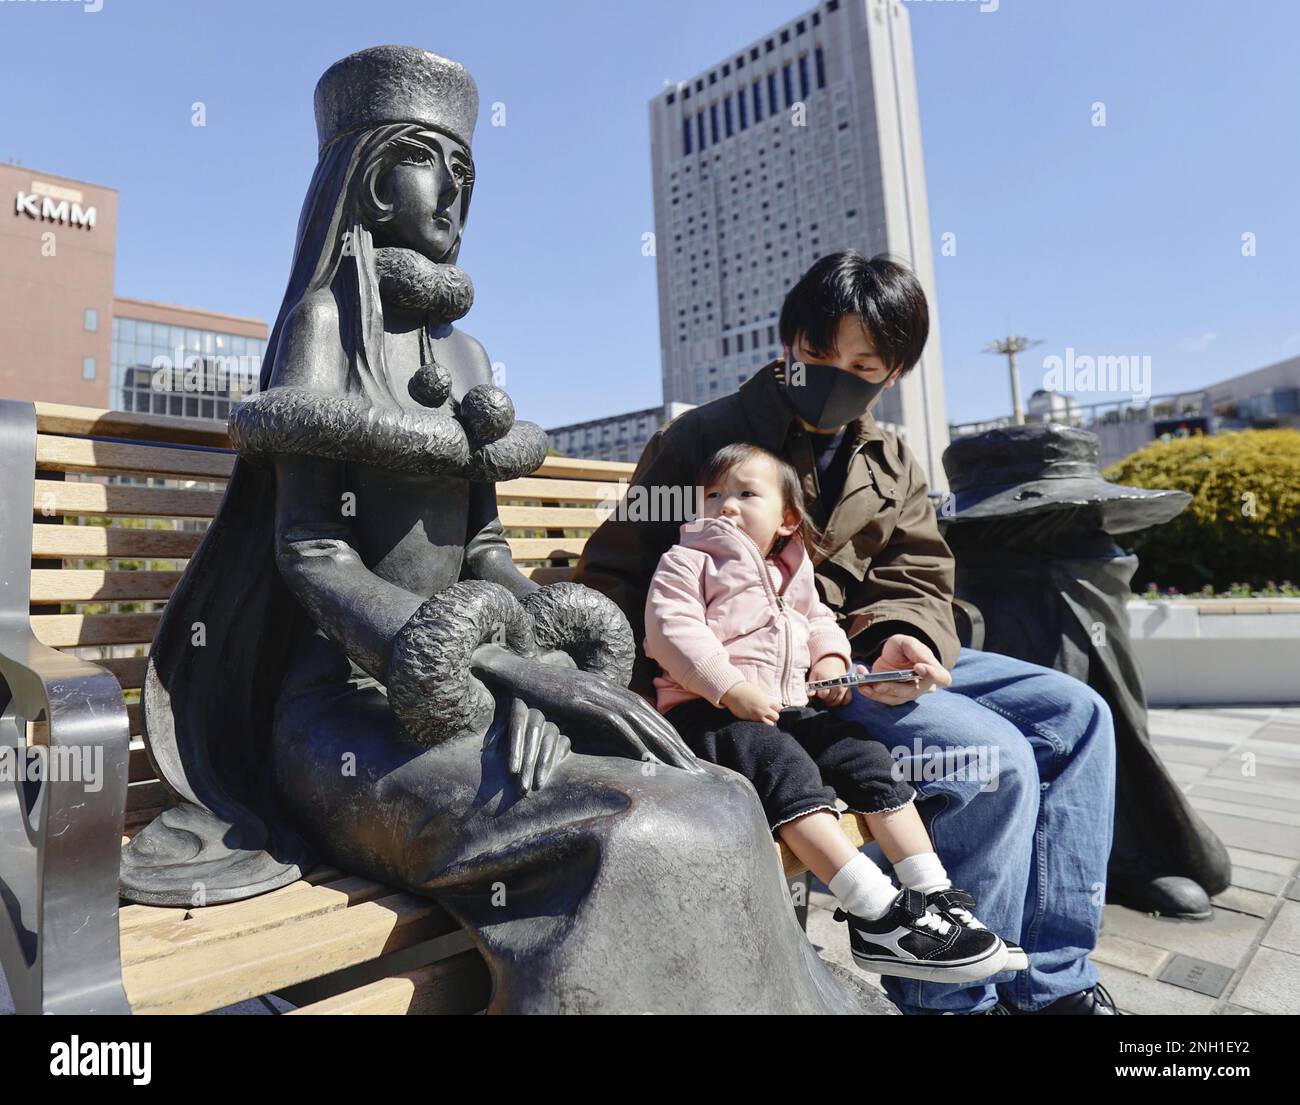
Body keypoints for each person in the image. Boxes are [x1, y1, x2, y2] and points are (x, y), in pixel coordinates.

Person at [118, 47, 882, 1015]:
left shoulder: (465, 351)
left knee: (719, 795)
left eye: (466, 170)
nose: (453, 192)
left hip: (468, 680)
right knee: (636, 826)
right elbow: (310, 552)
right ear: (365, 177)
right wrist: (498, 672)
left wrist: (540, 671)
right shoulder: (324, 322)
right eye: (427, 160)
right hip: (352, 713)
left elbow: (484, 553)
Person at [575, 250, 1119, 1015]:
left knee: (1078, 713)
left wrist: (909, 636)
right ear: (788, 342)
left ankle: (1052, 982)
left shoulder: (891, 458)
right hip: (779, 679)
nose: (834, 374)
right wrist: (676, 697)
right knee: (992, 762)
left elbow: (924, 575)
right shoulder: (707, 440)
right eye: (816, 355)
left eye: (862, 362)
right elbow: (619, 572)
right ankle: (950, 999)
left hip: (867, 657)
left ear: (892, 372)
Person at [645, 441, 1030, 983]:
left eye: (745, 494)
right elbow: (671, 633)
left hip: (788, 707)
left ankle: (932, 895)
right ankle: (874, 913)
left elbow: (820, 619)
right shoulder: (688, 560)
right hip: (709, 712)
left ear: (786, 520)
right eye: (714, 495)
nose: (726, 505)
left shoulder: (791, 572)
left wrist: (829, 658)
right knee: (789, 771)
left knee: (865, 757)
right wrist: (729, 687)